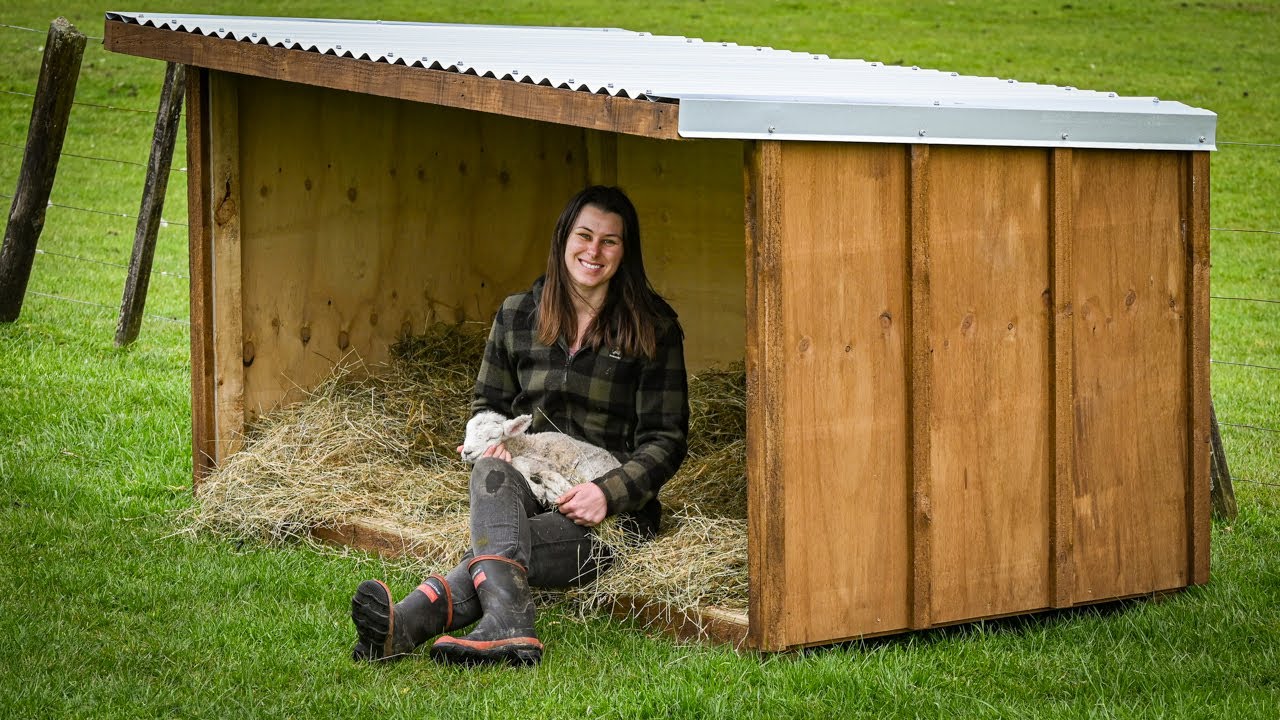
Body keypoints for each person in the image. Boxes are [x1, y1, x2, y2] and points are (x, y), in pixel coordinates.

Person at [350, 185, 690, 666]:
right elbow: (486, 404)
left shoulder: (652, 328)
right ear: (563, 239)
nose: (593, 252)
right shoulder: (517, 314)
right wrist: (495, 441)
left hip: (611, 516)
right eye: (584, 235)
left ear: (625, 252)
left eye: (609, 241)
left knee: (505, 551)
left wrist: (608, 494)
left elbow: (667, 441)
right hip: (529, 483)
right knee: (489, 474)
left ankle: (405, 624)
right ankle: (508, 625)